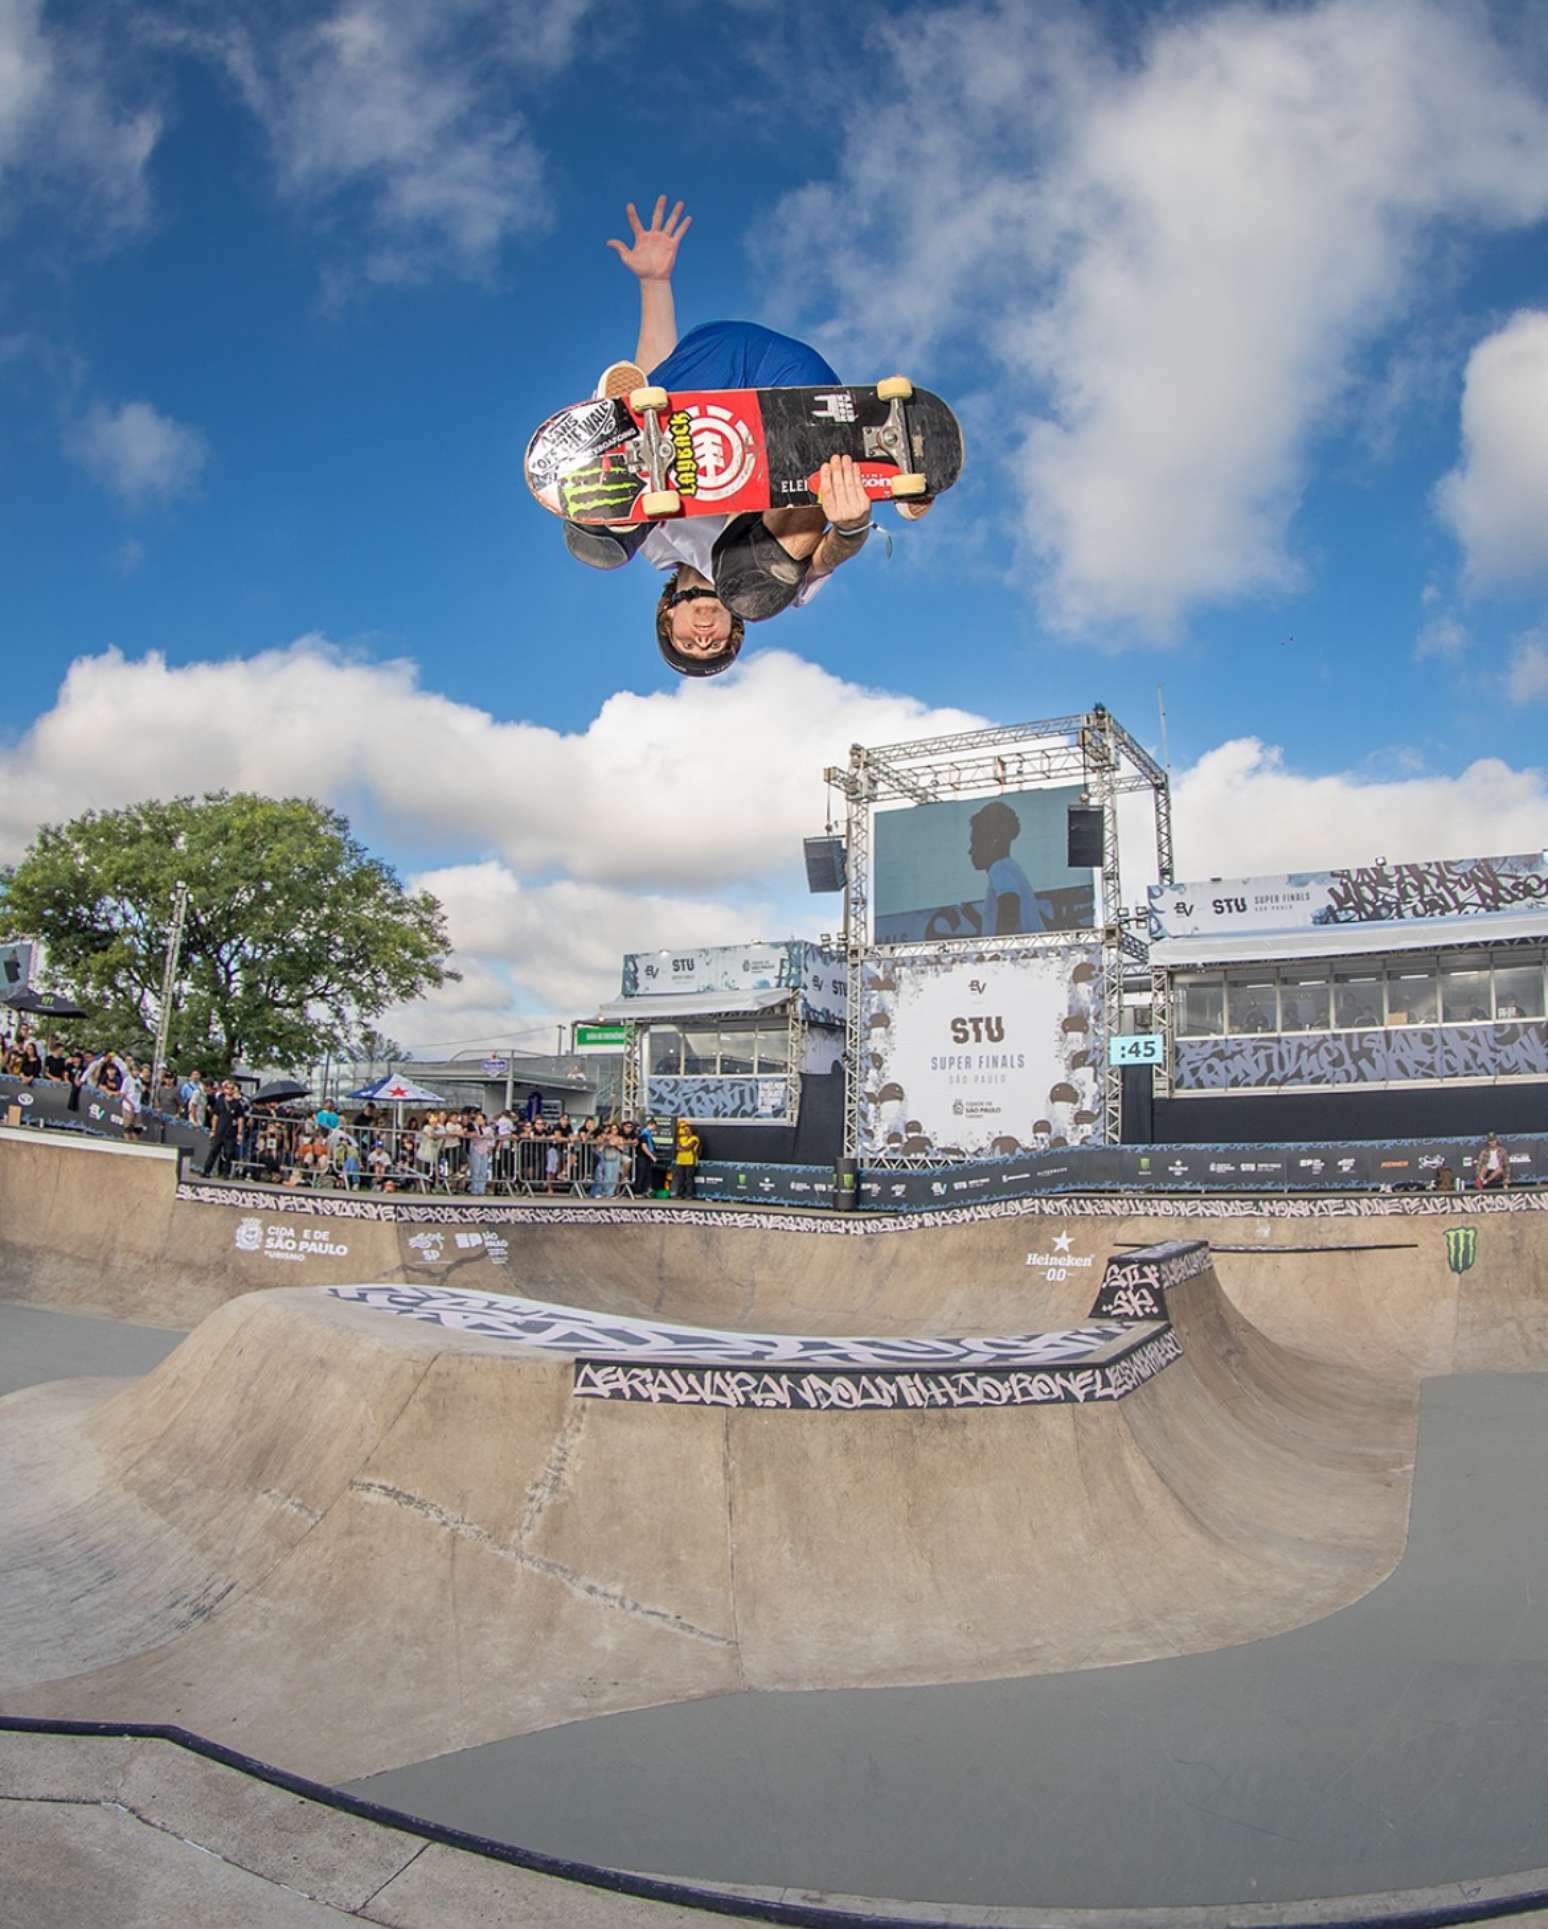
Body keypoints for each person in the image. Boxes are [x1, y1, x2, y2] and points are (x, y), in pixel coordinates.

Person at [560, 197, 932, 679]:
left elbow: (659, 389)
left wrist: (654, 283)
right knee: (762, 590)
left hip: (722, 359)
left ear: (666, 612)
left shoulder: (653, 544)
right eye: (712, 645)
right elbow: (828, 557)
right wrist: (851, 527)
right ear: (732, 630)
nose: (702, 635)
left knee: (603, 543)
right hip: (805, 396)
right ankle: (882, 460)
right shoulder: (771, 595)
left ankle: (620, 443)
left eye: (687, 641)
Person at [969, 800, 1037, 938]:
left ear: (993, 842)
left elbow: (1009, 902)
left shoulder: (999, 868)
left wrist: (1000, 947)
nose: (970, 851)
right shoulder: (1010, 867)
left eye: (975, 843)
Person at [670, 1116, 701, 1200]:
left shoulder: (695, 1138)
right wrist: (681, 1148)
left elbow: (688, 1147)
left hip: (690, 1161)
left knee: (689, 1179)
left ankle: (689, 1195)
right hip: (680, 1161)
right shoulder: (682, 1138)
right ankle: (679, 1195)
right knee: (680, 1179)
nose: (686, 1131)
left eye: (687, 1130)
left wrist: (681, 1148)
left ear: (692, 1131)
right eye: (685, 1130)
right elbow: (677, 1147)